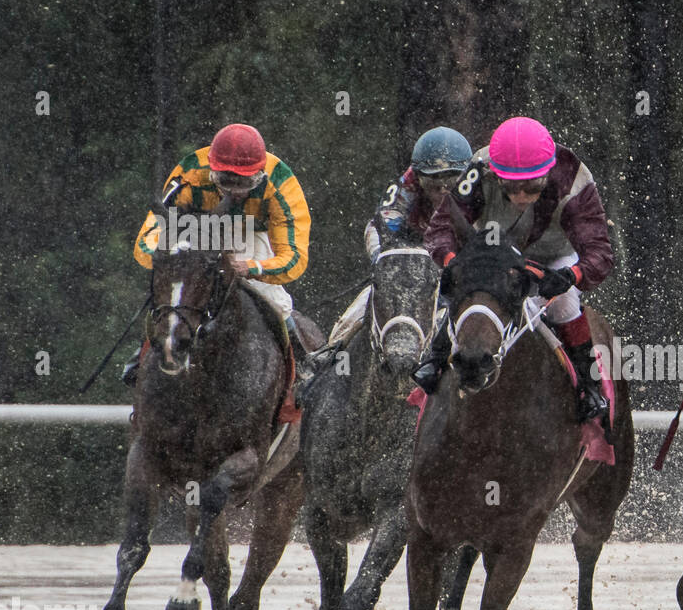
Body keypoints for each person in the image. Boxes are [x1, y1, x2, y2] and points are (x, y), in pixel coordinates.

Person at [413, 117, 614, 424]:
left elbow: (599, 253)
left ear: (547, 174)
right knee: (465, 292)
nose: (521, 197)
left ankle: (590, 386)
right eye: (511, 187)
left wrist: (570, 276)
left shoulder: (575, 182)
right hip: (491, 251)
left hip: (552, 254)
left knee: (565, 302)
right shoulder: (479, 169)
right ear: (496, 174)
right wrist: (454, 262)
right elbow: (440, 227)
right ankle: (435, 358)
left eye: (532, 186)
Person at [124, 123, 310, 384]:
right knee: (175, 290)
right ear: (211, 170)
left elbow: (294, 258)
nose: (233, 192)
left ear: (260, 175)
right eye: (225, 182)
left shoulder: (281, 185)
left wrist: (250, 267)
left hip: (251, 233)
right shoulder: (189, 173)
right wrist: (172, 257)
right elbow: (148, 239)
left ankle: (300, 362)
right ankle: (149, 350)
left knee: (273, 298)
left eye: (243, 183)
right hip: (198, 230)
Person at [317, 126, 472, 364]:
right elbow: (378, 227)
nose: (442, 190)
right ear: (418, 177)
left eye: (451, 182)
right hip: (407, 263)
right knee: (356, 312)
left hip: (457, 265)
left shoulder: (480, 189)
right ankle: (329, 357)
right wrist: (384, 262)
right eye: (433, 183)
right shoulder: (405, 186)